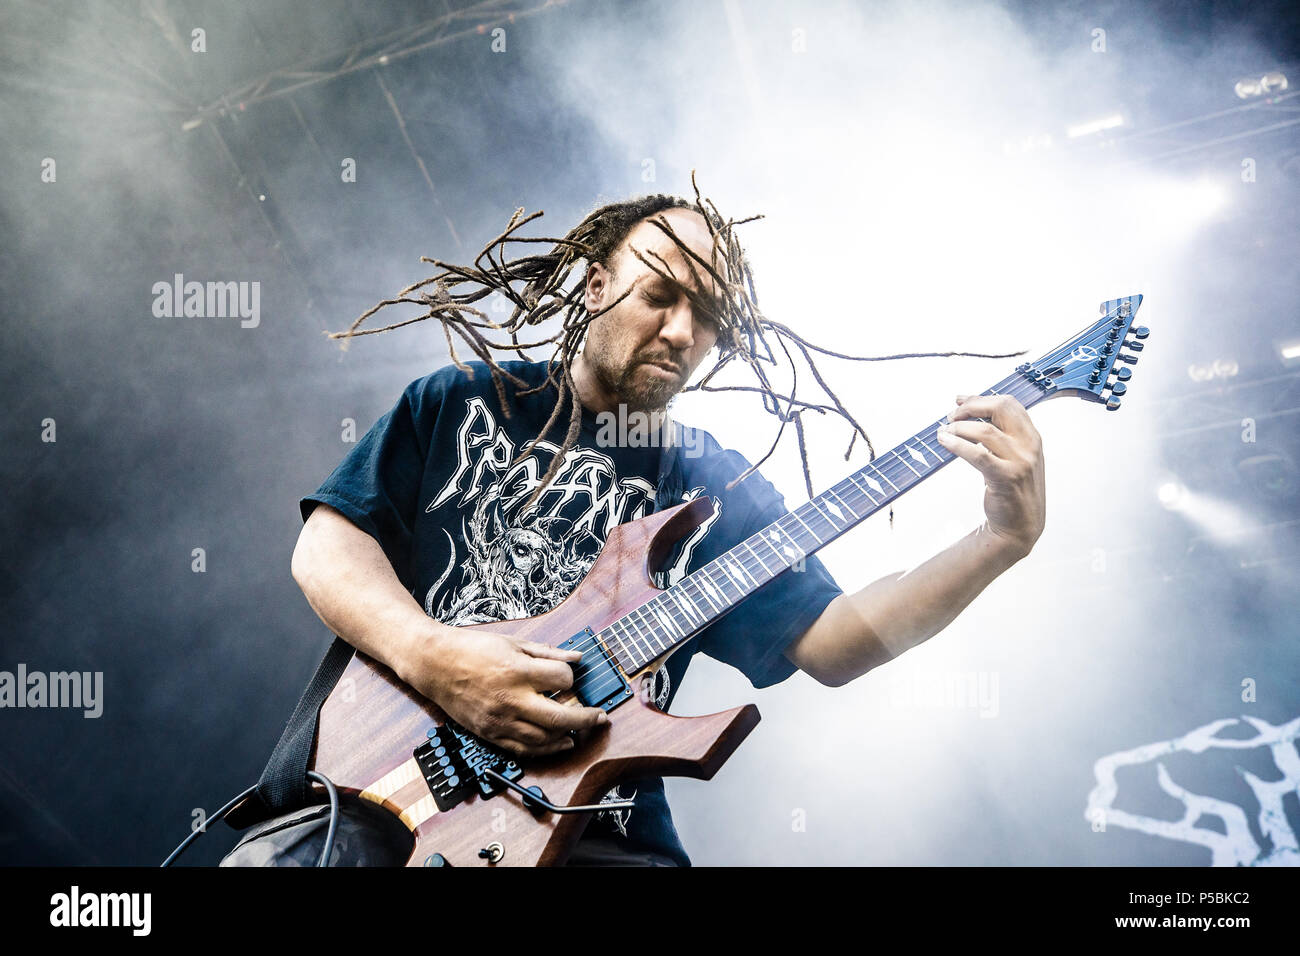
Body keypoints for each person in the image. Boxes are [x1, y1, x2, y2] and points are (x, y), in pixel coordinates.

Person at [220, 197, 1045, 867]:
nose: (684, 332)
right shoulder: (461, 401)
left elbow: (834, 643)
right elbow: (328, 548)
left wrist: (996, 543)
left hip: (594, 837)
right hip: (361, 788)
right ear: (593, 287)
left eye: (709, 317)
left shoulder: (717, 489)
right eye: (661, 296)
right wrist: (437, 659)